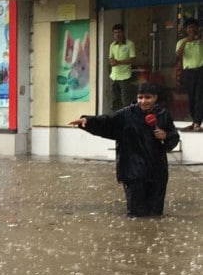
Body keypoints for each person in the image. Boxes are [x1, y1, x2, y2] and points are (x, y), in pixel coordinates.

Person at [68, 81, 180, 217]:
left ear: (155, 98)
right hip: (133, 172)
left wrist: (165, 135)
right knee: (136, 216)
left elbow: (173, 138)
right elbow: (107, 122)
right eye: (140, 97)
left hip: (157, 172)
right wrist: (88, 121)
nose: (143, 101)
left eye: (148, 97)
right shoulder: (126, 114)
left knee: (156, 214)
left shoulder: (163, 115)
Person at [176, 17, 203, 131]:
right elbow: (178, 54)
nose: (192, 29)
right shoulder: (182, 42)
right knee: (191, 97)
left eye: (194, 27)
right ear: (186, 30)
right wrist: (187, 41)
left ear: (197, 28)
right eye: (189, 27)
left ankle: (197, 122)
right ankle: (194, 120)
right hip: (188, 72)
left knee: (199, 96)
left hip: (201, 70)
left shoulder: (201, 41)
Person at [108, 24, 136, 112]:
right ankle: (115, 119)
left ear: (123, 32)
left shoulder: (129, 44)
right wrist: (112, 61)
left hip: (125, 76)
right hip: (114, 76)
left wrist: (119, 62)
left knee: (126, 101)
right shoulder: (112, 45)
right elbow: (110, 57)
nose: (117, 34)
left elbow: (133, 59)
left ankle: (126, 120)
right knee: (114, 100)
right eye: (115, 32)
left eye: (119, 32)